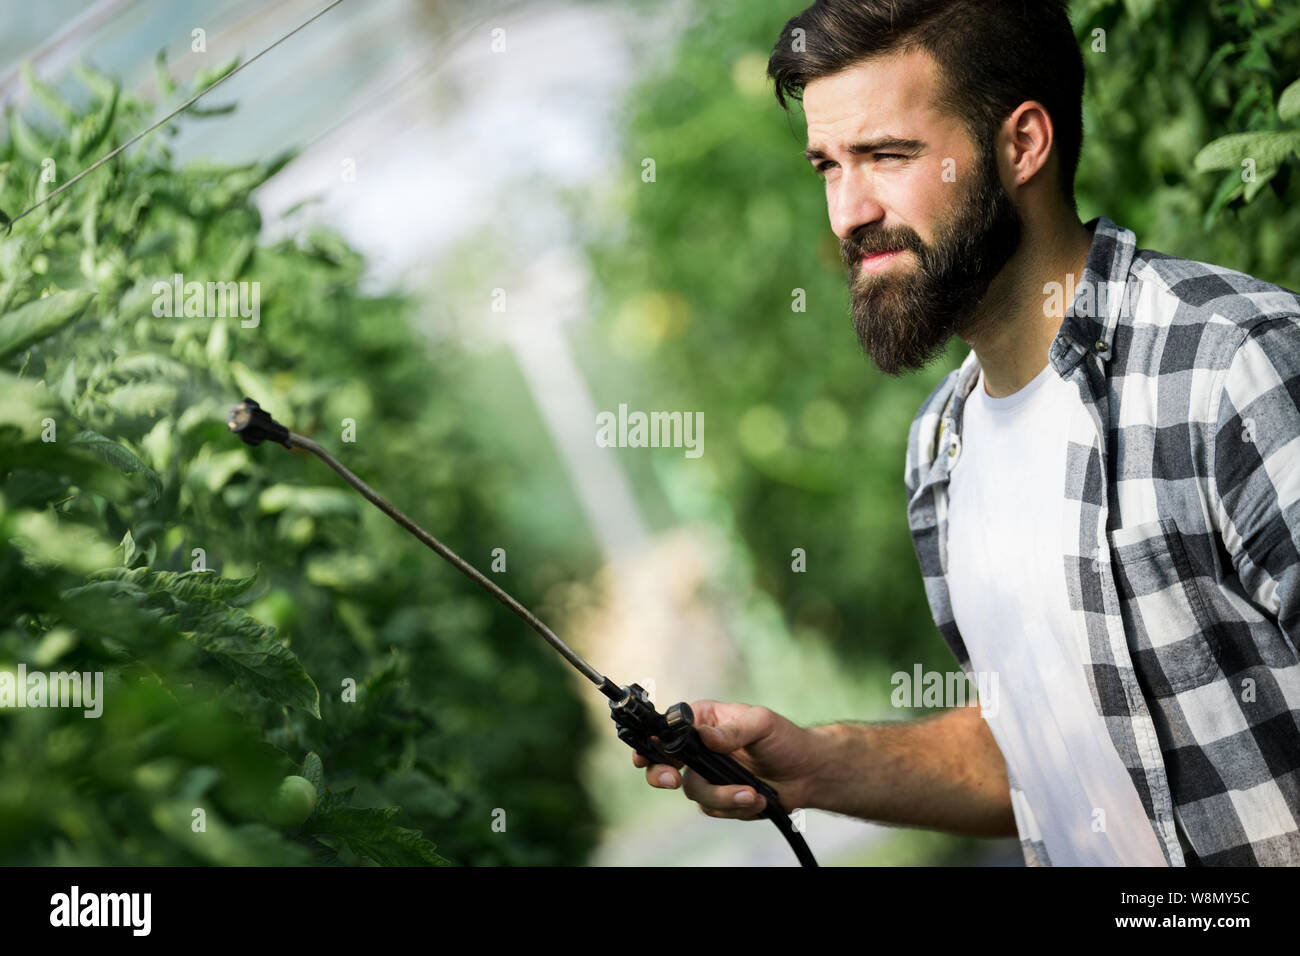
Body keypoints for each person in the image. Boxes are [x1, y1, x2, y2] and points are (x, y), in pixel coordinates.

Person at [634, 0, 1300, 866]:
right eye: (827, 166)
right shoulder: (940, 452)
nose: (846, 212)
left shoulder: (1231, 370)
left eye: (886, 156)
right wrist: (817, 764)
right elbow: (1042, 754)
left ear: (1022, 144)